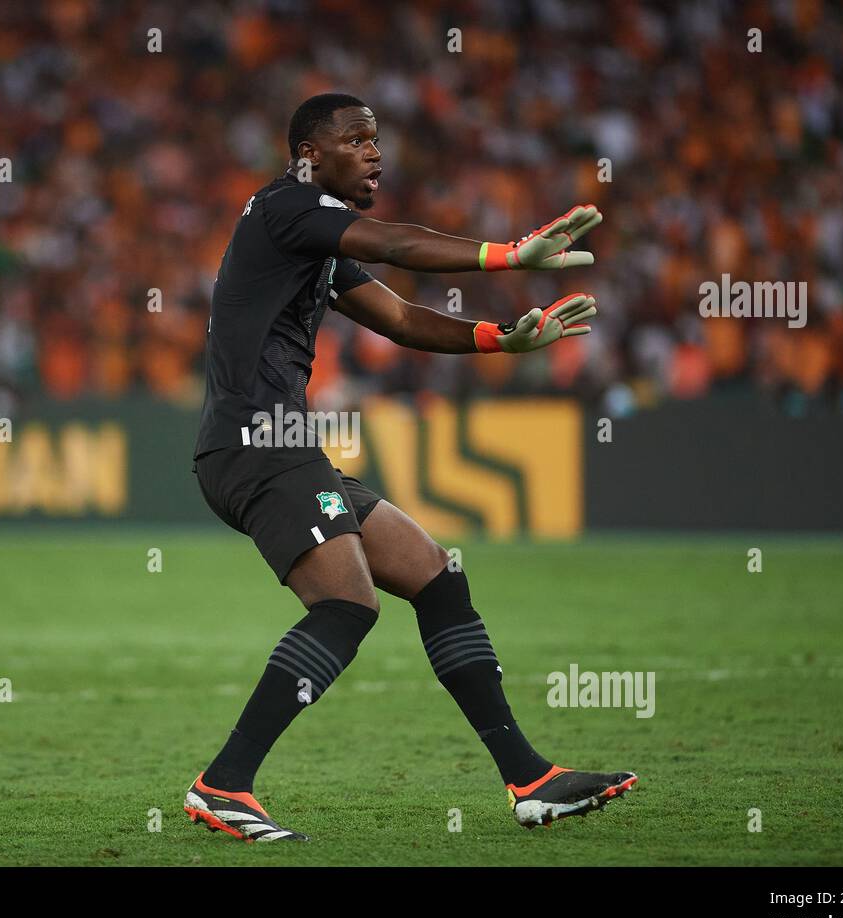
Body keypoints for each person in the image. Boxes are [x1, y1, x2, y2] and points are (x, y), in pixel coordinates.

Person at [186, 92, 635, 841]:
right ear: (309, 155)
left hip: (285, 445)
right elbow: (394, 242)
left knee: (436, 574)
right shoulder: (286, 208)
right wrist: (507, 255)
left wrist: (501, 338)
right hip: (256, 444)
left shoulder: (311, 245)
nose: (374, 153)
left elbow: (398, 317)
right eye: (355, 139)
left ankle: (531, 779)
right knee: (347, 605)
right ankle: (223, 784)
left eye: (376, 139)